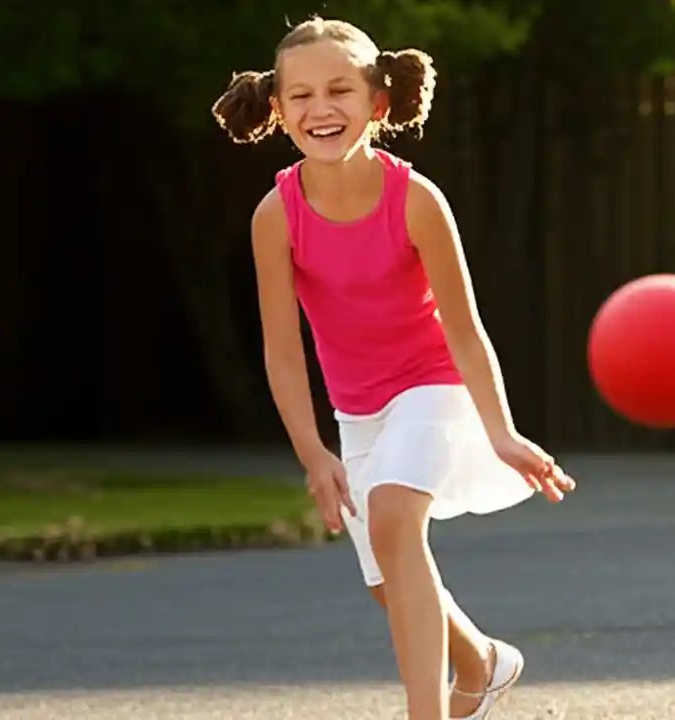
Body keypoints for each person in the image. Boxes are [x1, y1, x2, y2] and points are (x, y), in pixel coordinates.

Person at [210, 16, 576, 720]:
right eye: (304, 96)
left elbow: (466, 333)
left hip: (433, 388)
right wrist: (314, 454)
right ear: (279, 112)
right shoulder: (275, 217)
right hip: (358, 411)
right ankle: (483, 661)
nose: (322, 109)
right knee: (386, 577)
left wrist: (499, 431)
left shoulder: (416, 201)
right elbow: (282, 351)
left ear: (378, 102)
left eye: (341, 90)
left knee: (395, 521)